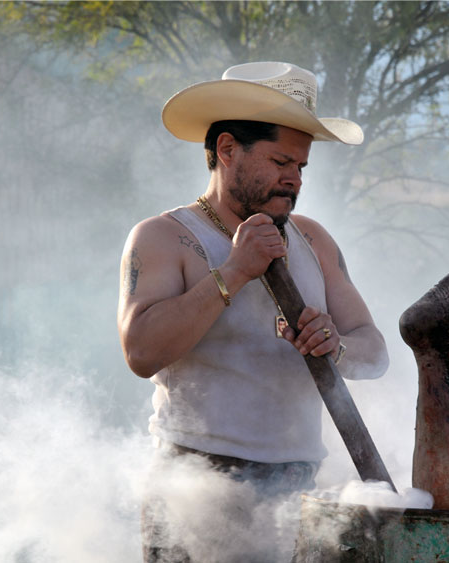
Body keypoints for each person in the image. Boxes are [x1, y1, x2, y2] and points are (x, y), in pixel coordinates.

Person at [117, 62, 389, 562]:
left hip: (301, 486)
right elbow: (141, 351)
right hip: (196, 485)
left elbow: (374, 350)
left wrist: (338, 344)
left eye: (301, 167)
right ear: (226, 150)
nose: (293, 180)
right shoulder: (163, 237)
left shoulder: (313, 239)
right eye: (280, 161)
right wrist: (235, 270)